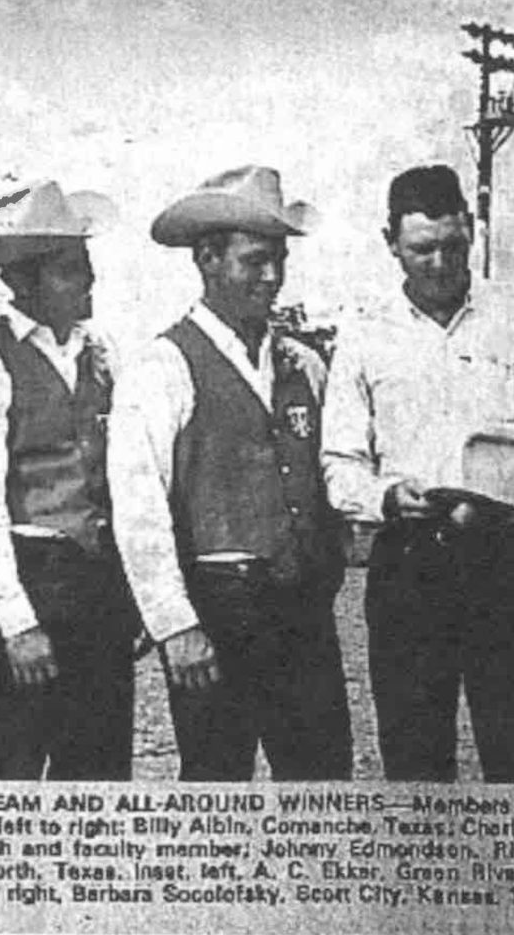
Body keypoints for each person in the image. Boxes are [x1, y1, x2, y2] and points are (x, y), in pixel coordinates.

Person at [322, 165, 514, 783]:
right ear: (390, 241)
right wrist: (388, 497)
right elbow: (340, 463)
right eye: (423, 249)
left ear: (471, 231)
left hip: (509, 568)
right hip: (410, 568)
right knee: (415, 764)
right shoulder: (365, 334)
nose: (441, 262)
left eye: (454, 245)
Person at [109, 166, 351, 781]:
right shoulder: (164, 364)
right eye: (254, 262)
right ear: (208, 260)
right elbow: (140, 508)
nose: (270, 278)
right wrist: (176, 625)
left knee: (321, 783)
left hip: (302, 609)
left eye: (278, 261)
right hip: (220, 610)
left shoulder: (302, 363)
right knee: (218, 787)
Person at [0, 181, 138, 780]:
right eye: (69, 271)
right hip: (31, 580)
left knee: (99, 775)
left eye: (86, 267)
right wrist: (16, 622)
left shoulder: (100, 352)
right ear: (21, 282)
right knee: (13, 775)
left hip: (96, 589)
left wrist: (129, 596)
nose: (88, 282)